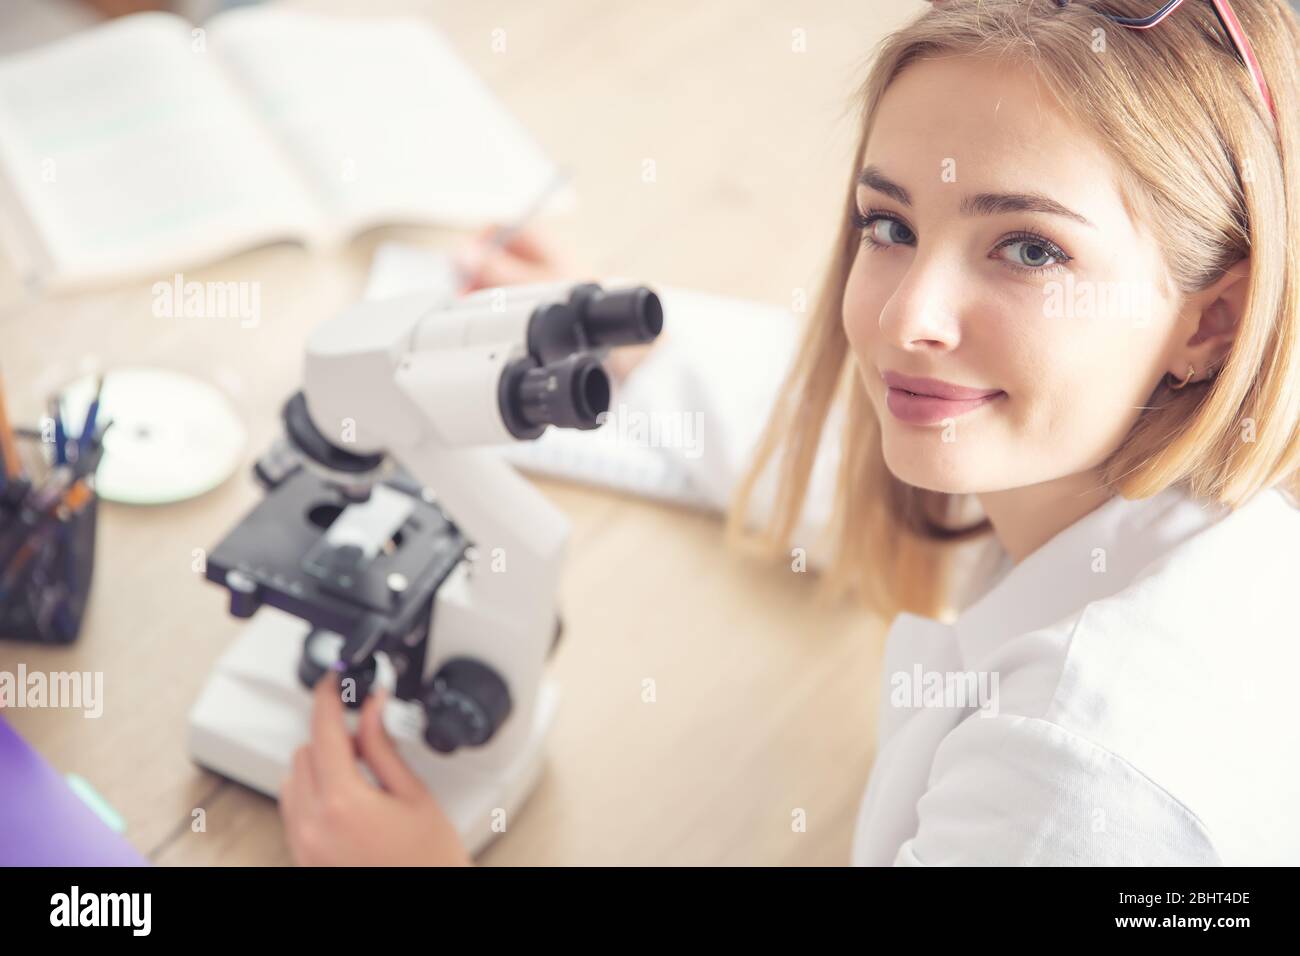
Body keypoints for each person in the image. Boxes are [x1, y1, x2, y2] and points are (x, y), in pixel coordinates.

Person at [280, 0, 1300, 866]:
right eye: (889, 224)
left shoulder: (1077, 786)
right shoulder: (1134, 486)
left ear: (1208, 318)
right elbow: (838, 438)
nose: (908, 320)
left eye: (1027, 248)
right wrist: (627, 338)